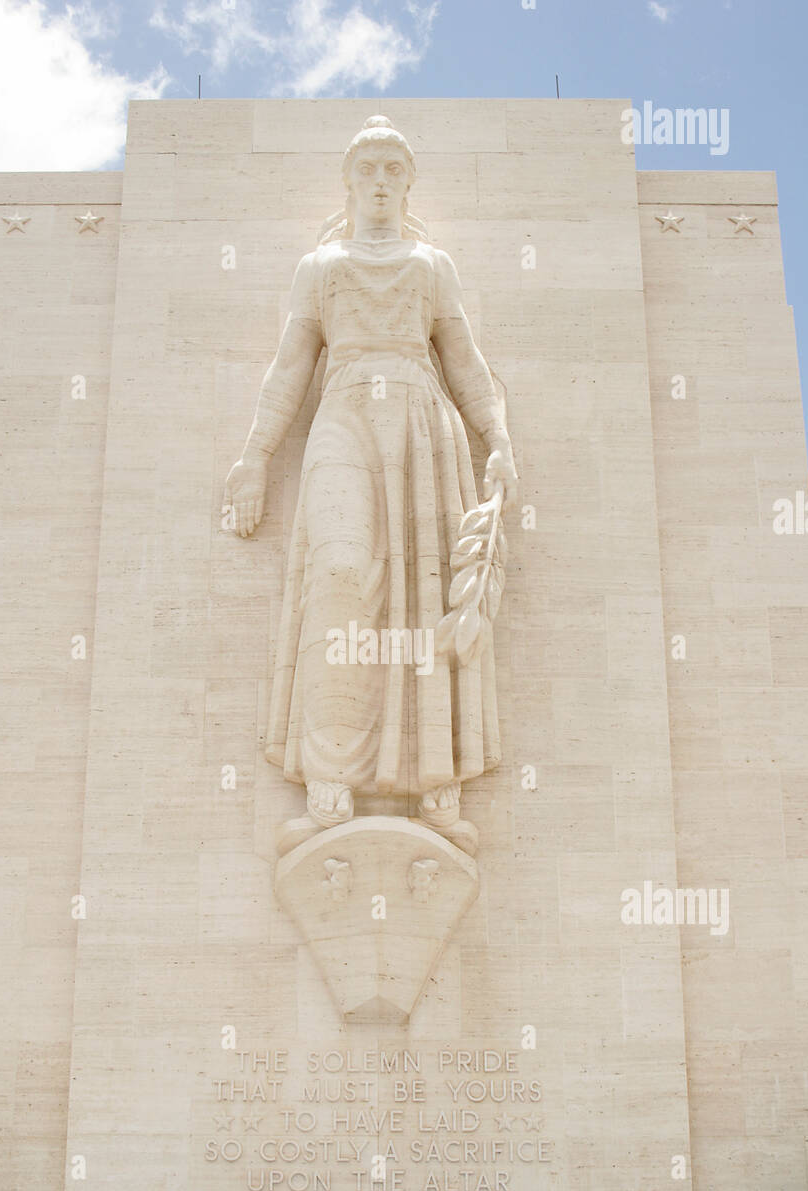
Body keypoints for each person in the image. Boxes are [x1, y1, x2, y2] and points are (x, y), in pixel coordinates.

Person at [223, 116, 518, 838]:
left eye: (393, 168)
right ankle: (331, 773)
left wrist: (498, 437)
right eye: (369, 169)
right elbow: (291, 366)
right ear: (350, 181)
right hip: (345, 412)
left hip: (421, 420)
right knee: (341, 577)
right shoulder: (319, 268)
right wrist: (256, 456)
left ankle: (435, 784)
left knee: (422, 593)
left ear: (407, 182)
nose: (381, 180)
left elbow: (466, 363)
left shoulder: (430, 264)